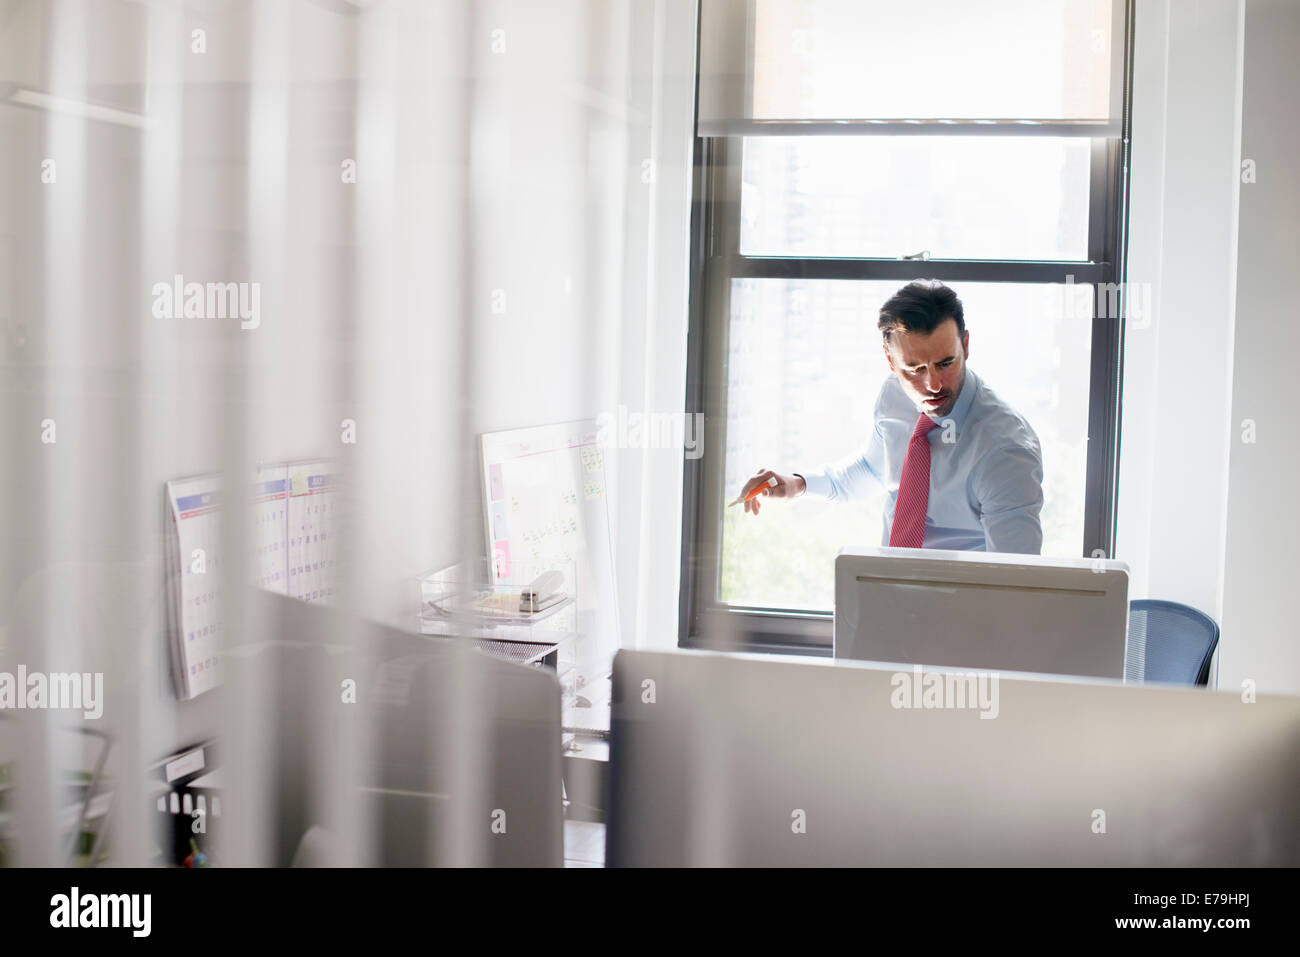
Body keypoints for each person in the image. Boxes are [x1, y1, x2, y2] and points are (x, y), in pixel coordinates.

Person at [736, 280, 1044, 554]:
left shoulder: (1005, 449)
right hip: (890, 592)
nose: (933, 384)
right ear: (890, 361)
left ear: (965, 345)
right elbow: (874, 470)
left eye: (946, 362)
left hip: (962, 607)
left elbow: (1013, 580)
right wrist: (797, 485)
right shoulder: (895, 396)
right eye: (915, 369)